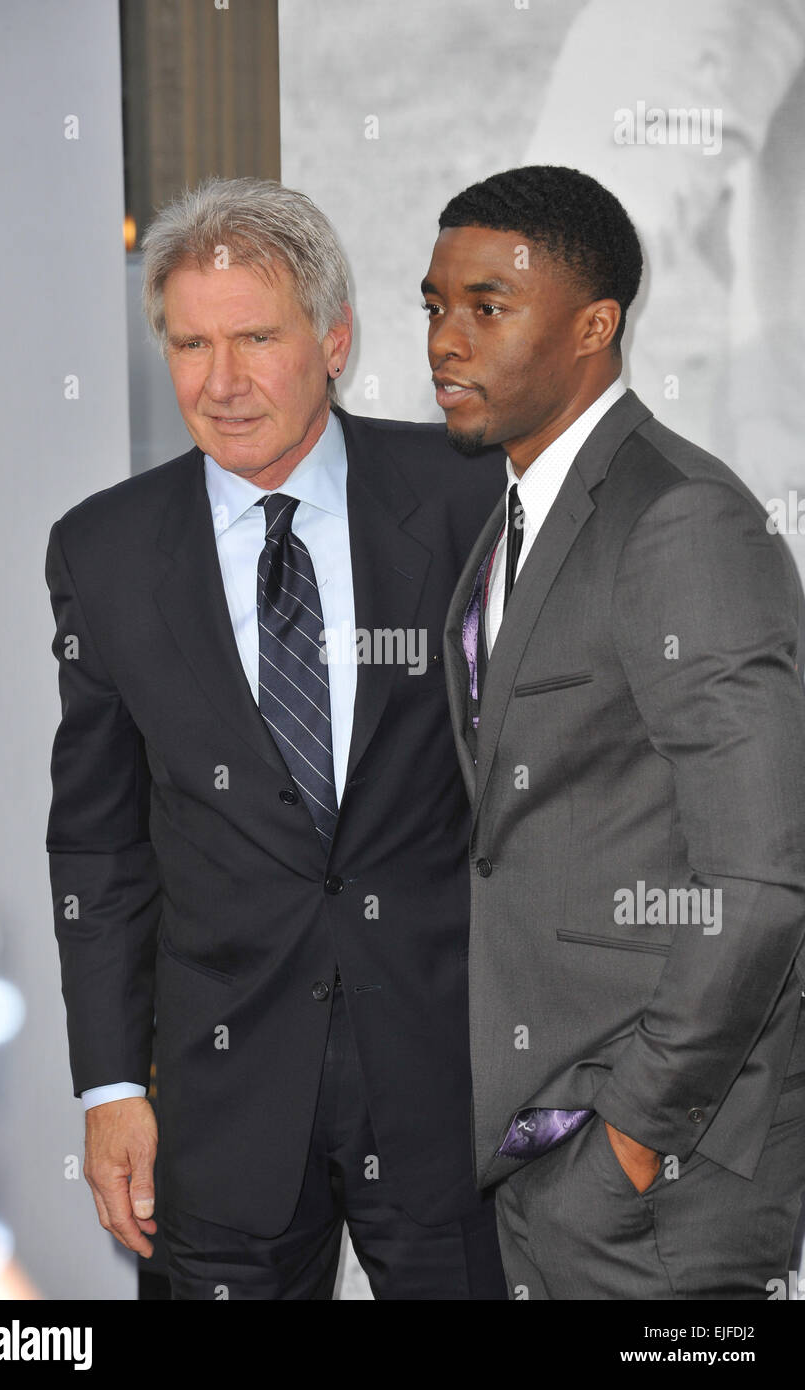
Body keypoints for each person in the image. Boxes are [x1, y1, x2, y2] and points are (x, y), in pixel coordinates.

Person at [44, 176, 507, 1301]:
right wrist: (109, 1088)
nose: (221, 381)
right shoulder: (102, 553)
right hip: (220, 1110)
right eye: (190, 343)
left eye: (256, 337)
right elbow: (98, 846)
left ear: (335, 338)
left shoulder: (469, 496)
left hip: (450, 1084)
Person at [426, 164, 805, 1299]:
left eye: (488, 306)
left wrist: (631, 1139)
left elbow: (762, 877)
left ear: (596, 327)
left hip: (657, 1189)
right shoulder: (516, 521)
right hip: (547, 1159)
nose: (449, 339)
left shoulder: (679, 518)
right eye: (436, 305)